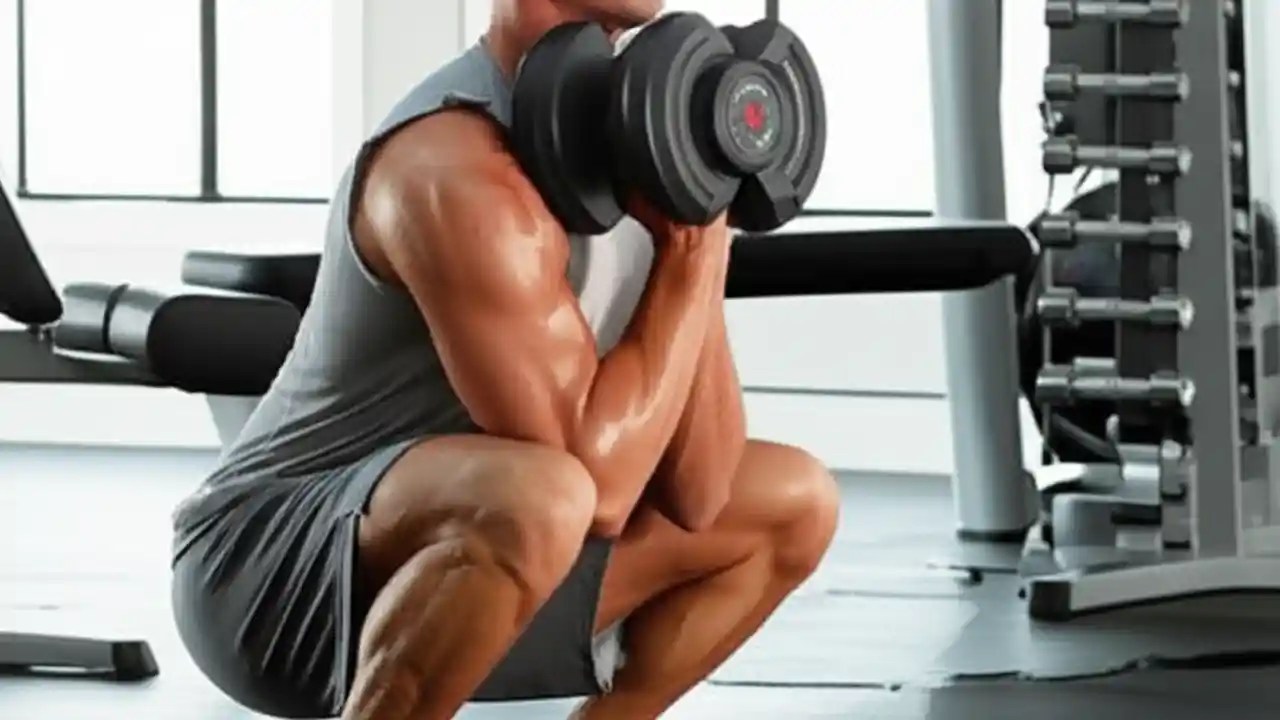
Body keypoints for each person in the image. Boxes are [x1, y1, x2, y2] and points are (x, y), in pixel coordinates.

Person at [169, 1, 839, 718]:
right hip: (269, 582)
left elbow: (699, 495)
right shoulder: (451, 167)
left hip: (490, 545)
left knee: (792, 501)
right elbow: (603, 493)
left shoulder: (645, 134)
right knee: (544, 495)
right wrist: (685, 246)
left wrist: (701, 223)